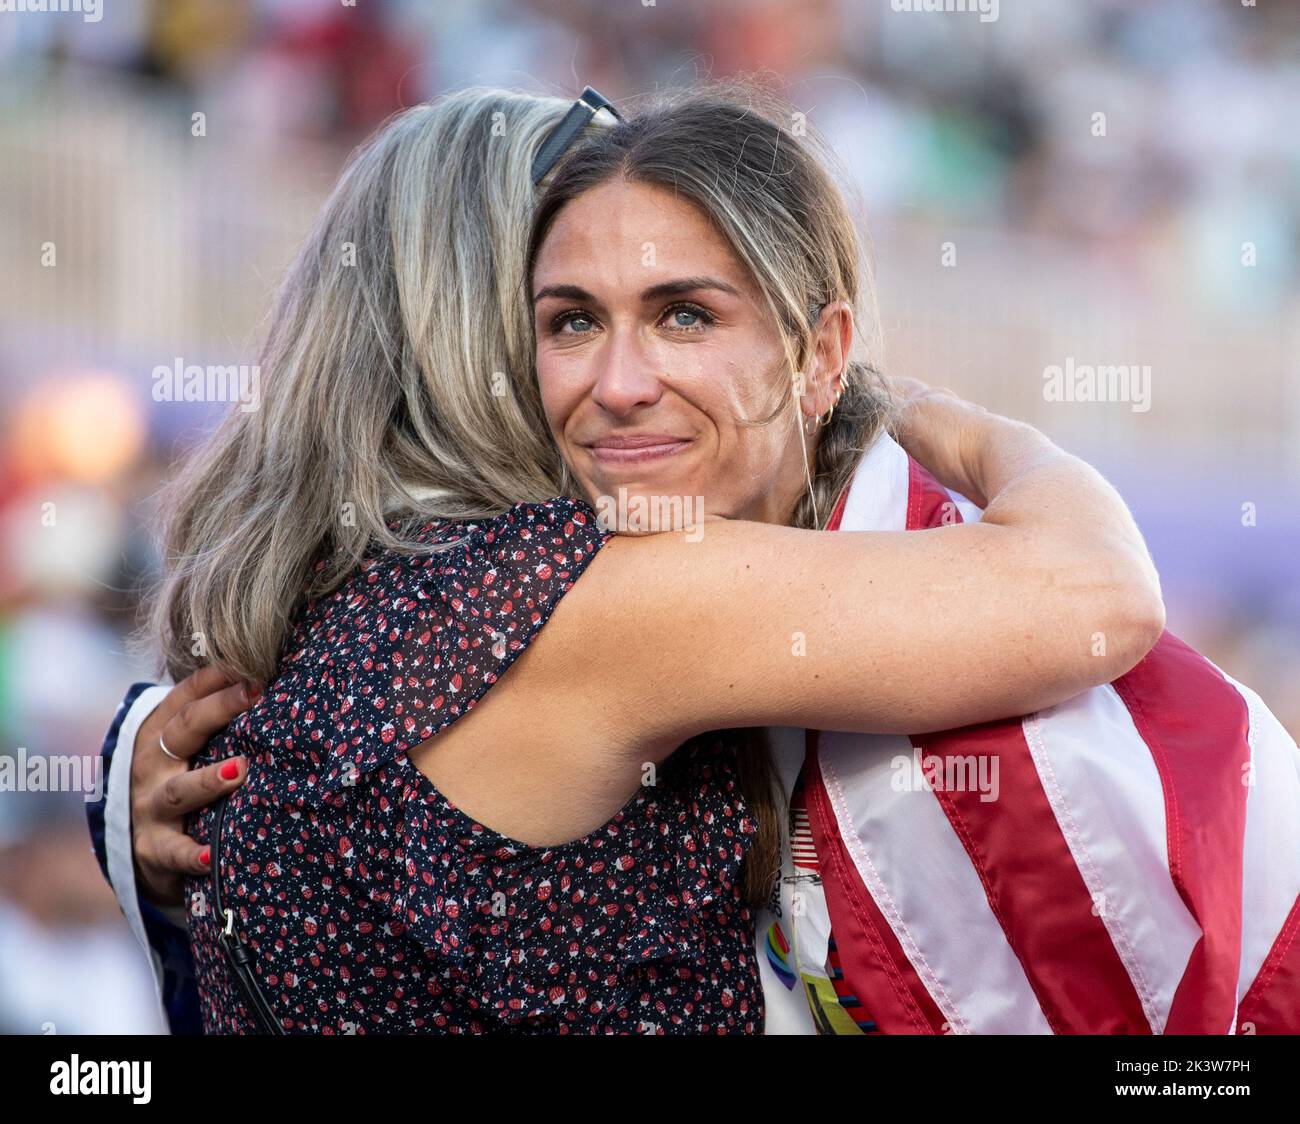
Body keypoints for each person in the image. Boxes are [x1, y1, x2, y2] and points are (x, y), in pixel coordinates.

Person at [87, 86, 1163, 1033]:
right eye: (565, 313)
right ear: (477, 326)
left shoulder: (335, 623)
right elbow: (1094, 589)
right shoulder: (563, 590)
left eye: (679, 312)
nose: (619, 378)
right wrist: (929, 413)